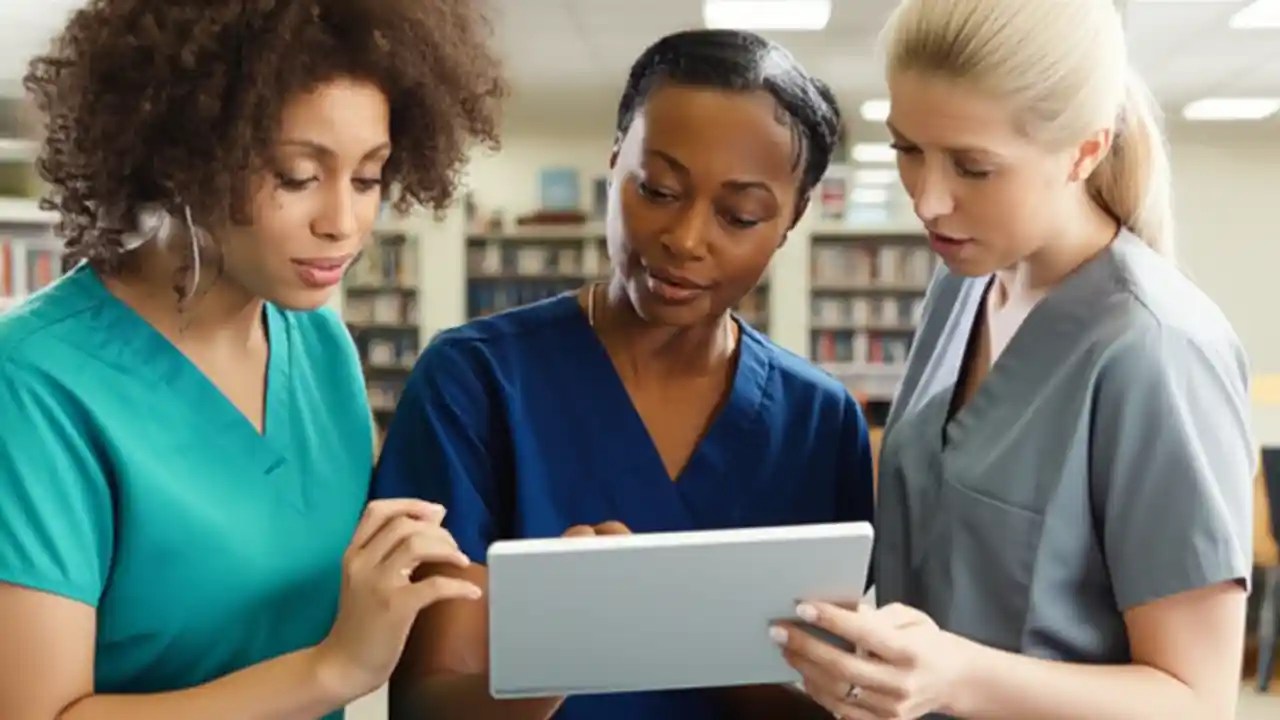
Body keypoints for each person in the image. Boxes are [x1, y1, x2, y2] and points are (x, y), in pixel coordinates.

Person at [0, 2, 505, 718]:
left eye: (368, 178)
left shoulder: (321, 345)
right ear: (184, 161)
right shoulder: (35, 382)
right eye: (297, 177)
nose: (343, 222)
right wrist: (333, 669)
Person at [770, 0, 1256, 718]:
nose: (929, 201)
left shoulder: (1156, 348)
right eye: (908, 149)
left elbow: (1196, 701)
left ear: (1085, 151)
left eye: (974, 167)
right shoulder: (960, 288)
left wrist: (956, 677)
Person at [373, 28, 875, 720]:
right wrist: (567, 643)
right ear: (614, 162)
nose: (686, 239)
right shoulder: (476, 383)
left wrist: (660, 620)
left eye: (740, 215)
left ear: (790, 220)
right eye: (658, 189)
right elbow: (429, 705)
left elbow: (821, 699)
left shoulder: (817, 423)